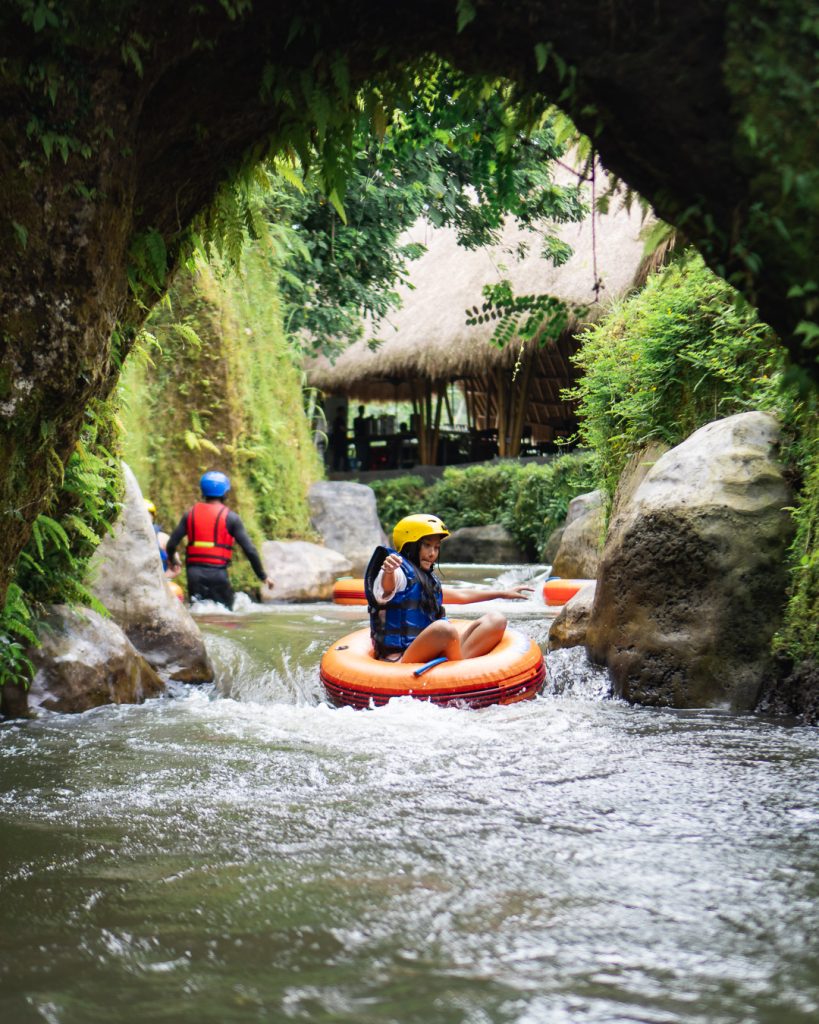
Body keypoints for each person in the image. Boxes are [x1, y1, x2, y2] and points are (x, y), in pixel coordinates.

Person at [365, 513, 532, 663]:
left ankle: (456, 667)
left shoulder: (426, 578)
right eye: (427, 545)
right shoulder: (397, 571)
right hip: (403, 657)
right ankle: (458, 671)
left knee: (496, 620)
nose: (433, 554)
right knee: (443, 629)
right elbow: (388, 588)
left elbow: (460, 595)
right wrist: (388, 571)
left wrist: (502, 593)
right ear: (411, 544)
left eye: (436, 547)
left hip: (433, 651)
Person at [165, 471, 274, 609]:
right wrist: (263, 576)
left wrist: (173, 560)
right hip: (218, 575)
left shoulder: (190, 515)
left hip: (194, 575)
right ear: (225, 493)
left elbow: (171, 545)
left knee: (200, 612)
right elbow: (250, 550)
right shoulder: (231, 518)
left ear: (203, 491)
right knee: (225, 616)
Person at [353, 404, 370, 470]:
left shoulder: (360, 420)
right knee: (360, 454)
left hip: (363, 439)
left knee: (364, 454)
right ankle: (360, 467)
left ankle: (364, 467)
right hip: (359, 439)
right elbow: (360, 424)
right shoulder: (357, 420)